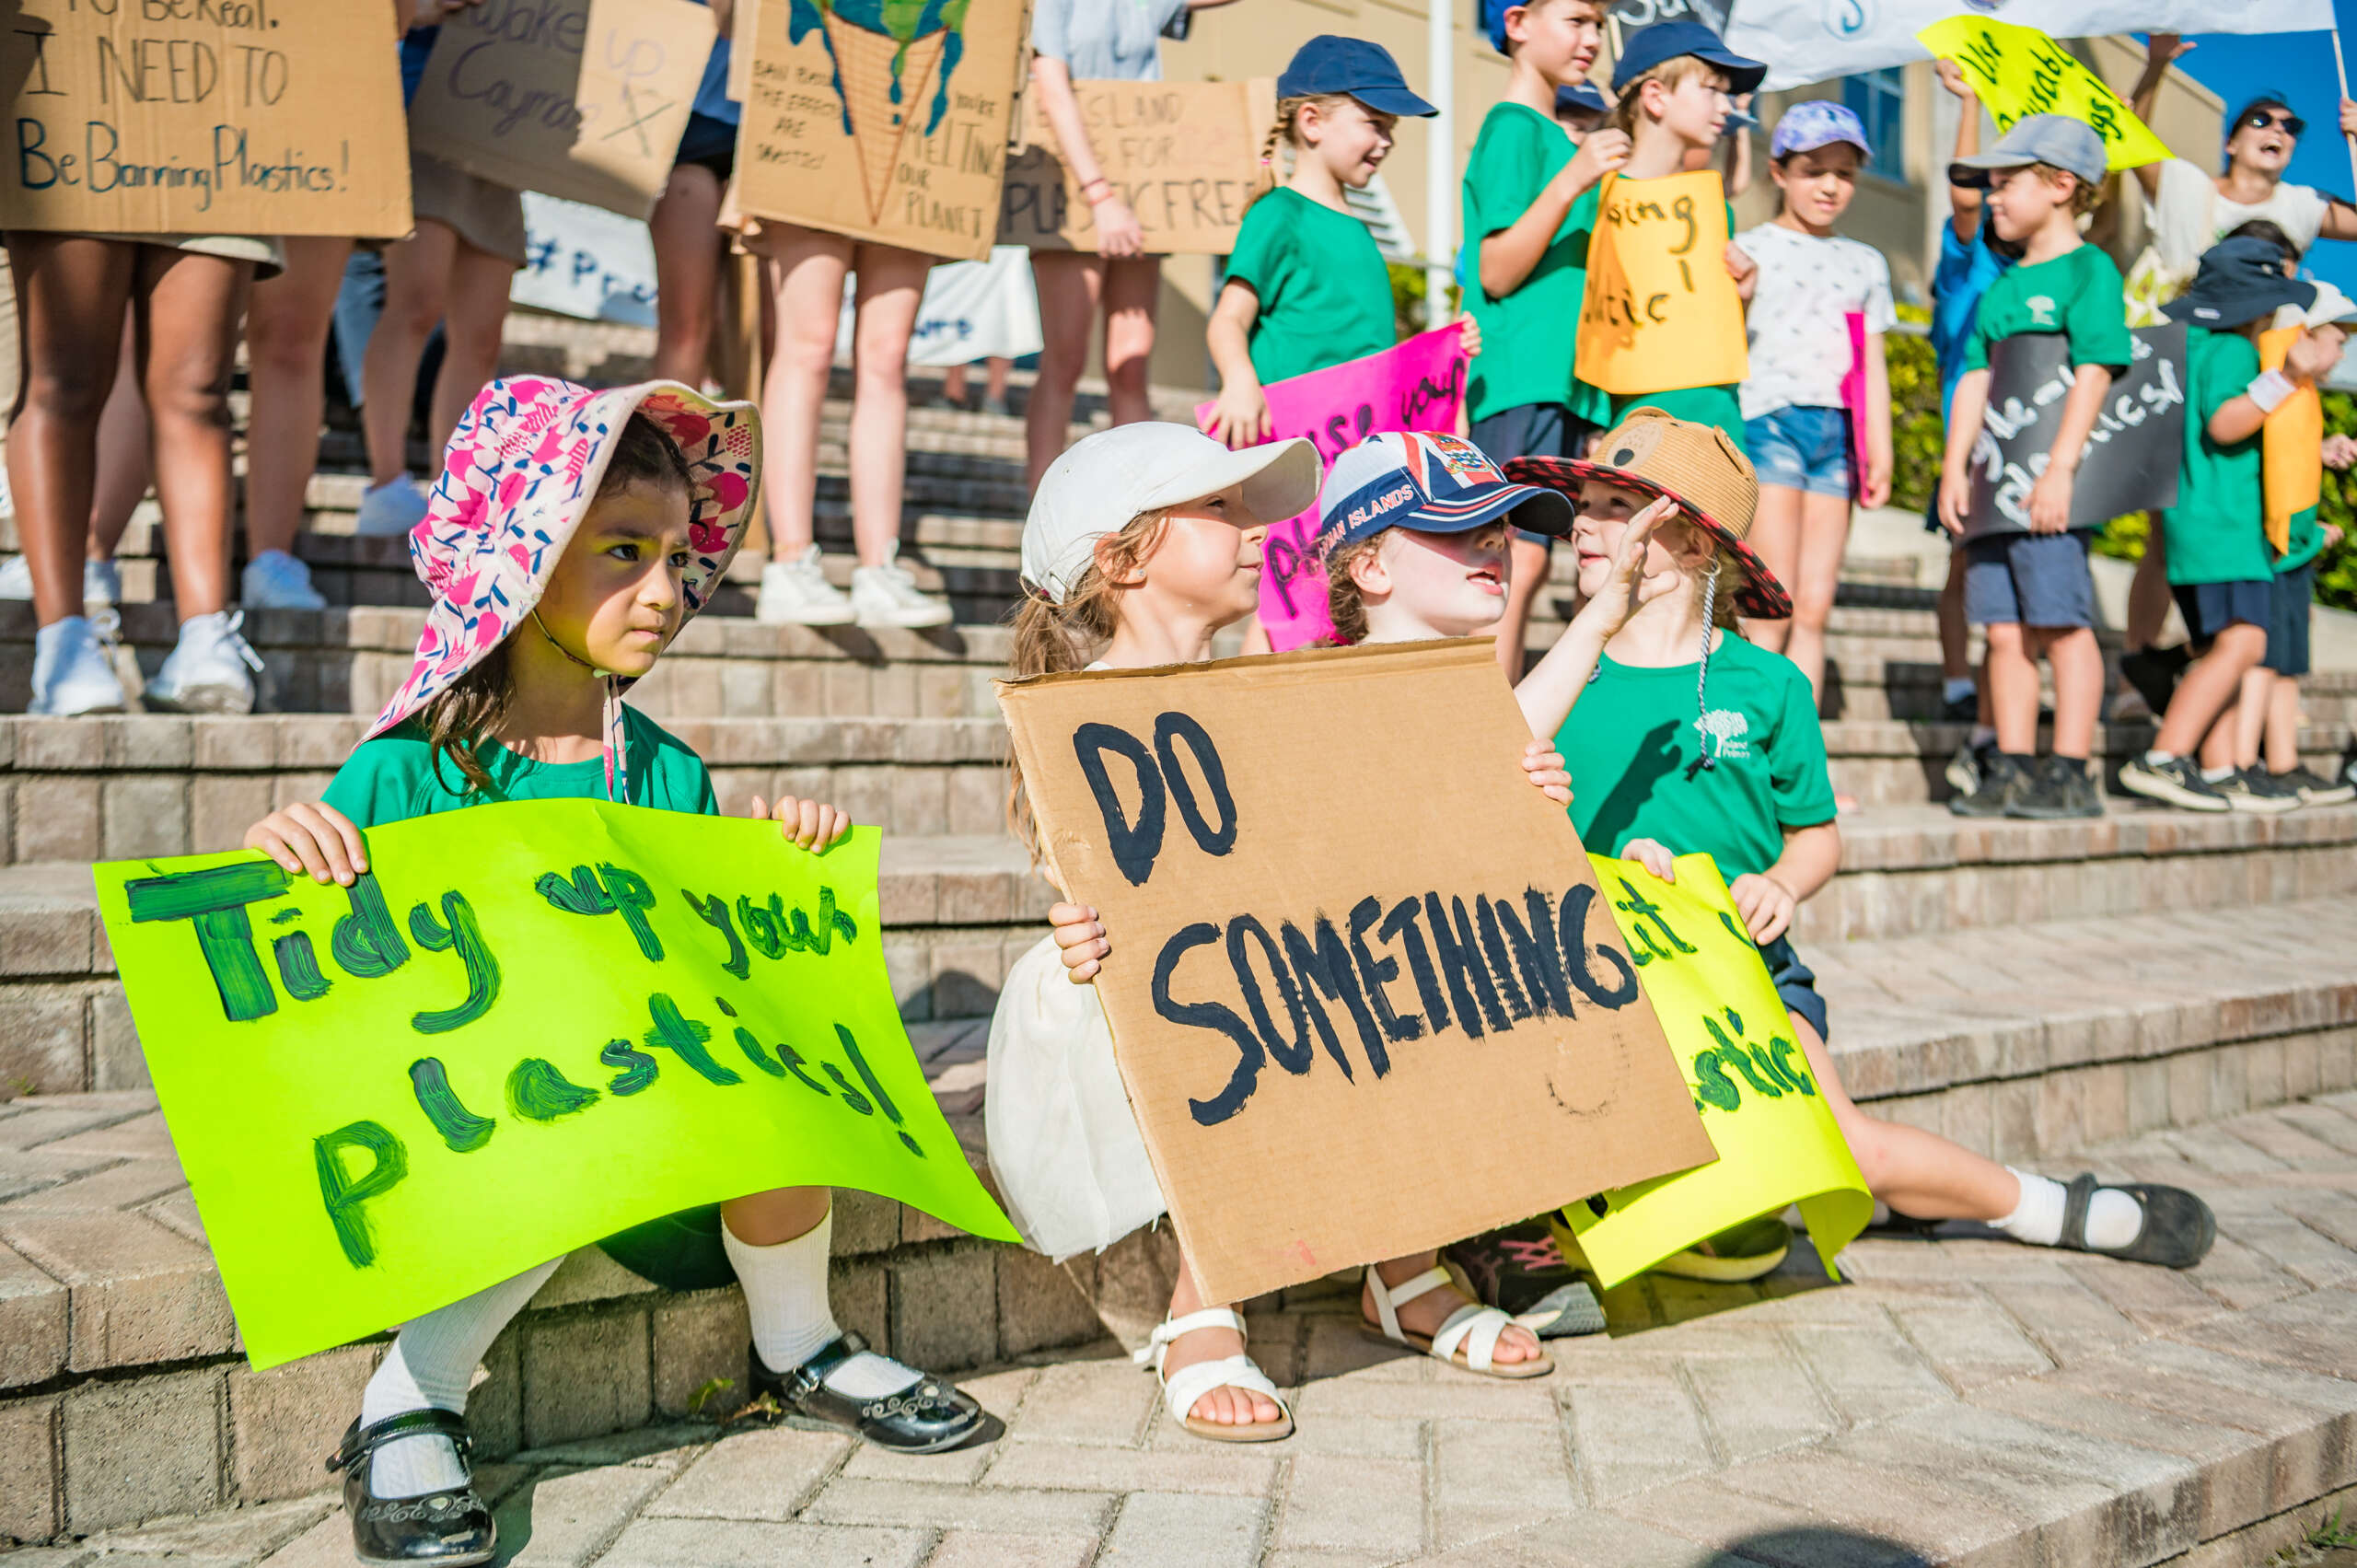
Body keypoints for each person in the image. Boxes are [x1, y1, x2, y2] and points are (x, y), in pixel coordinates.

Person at [244, 377, 987, 1563]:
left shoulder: (665, 774)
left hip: (658, 1159)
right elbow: (319, 972)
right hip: (472, 1165)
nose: (664, 591)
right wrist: (284, 856)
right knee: (548, 1086)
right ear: (523, 558)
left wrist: (777, 862)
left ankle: (799, 1341)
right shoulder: (398, 774)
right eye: (622, 552)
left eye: (678, 556)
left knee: (769, 1072)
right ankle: (411, 1393)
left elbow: (707, 990)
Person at [1502, 408, 2217, 1274]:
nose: (1585, 521)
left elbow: (1817, 838)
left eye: (1621, 505)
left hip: (1740, 971)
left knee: (1853, 1148)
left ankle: (2052, 1207)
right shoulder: (1559, 677)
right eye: (1587, 499)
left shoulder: (1769, 685)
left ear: (1696, 547)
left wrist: (1781, 886)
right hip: (1598, 979)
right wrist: (1612, 871)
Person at [1000, 424, 1564, 1443]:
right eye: (1219, 510)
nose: (1258, 531)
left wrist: (1511, 794)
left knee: (1377, 951)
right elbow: (1089, 885)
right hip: (1144, 999)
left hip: (1261, 981)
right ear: (1122, 557)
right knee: (1239, 979)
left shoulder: (1280, 694)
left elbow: (1380, 846)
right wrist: (1077, 925)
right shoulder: (1070, 717)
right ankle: (1199, 1300)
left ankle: (1399, 1264)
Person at [2119, 42, 2357, 711]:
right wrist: (2157, 64)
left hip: (2271, 373)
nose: (2279, 129)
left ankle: (2235, 682)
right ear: (2231, 139)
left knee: (2264, 526)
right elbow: (2131, 134)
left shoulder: (2305, 205)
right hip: (2183, 359)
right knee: (2168, 522)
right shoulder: (2187, 186)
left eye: (2291, 125)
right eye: (2263, 119)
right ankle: (2139, 670)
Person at [1937, 116, 2128, 820]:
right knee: (2004, 630)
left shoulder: (2090, 271)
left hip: (2048, 490)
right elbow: (1977, 382)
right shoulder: (2002, 288)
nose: (1993, 197)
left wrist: (2061, 468)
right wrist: (1956, 467)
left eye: (2007, 183)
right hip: (1993, 491)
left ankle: (2072, 770)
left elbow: (2095, 370)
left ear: (2061, 185)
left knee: (2061, 625)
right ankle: (2012, 766)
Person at [11, 215, 278, 715]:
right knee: (64, 378)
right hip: (78, 150)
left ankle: (204, 637)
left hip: (217, 153)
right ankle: (64, 642)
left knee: (195, 390)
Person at [2118, 238, 2340, 813]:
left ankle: (2216, 769)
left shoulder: (2194, 347)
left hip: (2198, 531)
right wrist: (2286, 377)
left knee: (2219, 648)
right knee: (2246, 643)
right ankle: (2164, 758)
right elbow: (2224, 423)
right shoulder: (2231, 352)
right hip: (2224, 531)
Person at [1463, 0, 1627, 679]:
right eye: (1577, 19)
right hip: (1520, 377)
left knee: (1532, 558)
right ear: (1519, 23)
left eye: (1598, 24)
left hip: (1569, 380)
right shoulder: (1512, 128)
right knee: (1513, 556)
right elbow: (1497, 269)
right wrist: (1573, 178)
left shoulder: (1562, 140)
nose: (1591, 38)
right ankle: (1487, 727)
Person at [1023, 0, 1240, 490]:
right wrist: (1098, 193)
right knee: (1065, 359)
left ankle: (1137, 511)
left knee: (1132, 365)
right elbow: (1050, 86)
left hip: (1142, 189)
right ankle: (1040, 511)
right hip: (1071, 188)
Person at [1207, 38, 1443, 450]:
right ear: (1312, 121)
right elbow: (1228, 319)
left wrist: (1440, 355)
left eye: (1391, 128)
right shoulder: (1280, 213)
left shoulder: (1359, 230)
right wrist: (1240, 380)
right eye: (1375, 123)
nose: (1387, 141)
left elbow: (1365, 349)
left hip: (1355, 448)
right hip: (1293, 445)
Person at [1734, 100, 1894, 704]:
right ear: (1779, 172)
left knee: (1816, 607)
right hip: (1768, 422)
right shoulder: (1748, 247)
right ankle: (1746, 755)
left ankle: (1801, 772)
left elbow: (1870, 362)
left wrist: (1878, 446)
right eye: (1813, 168)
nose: (1830, 185)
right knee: (1772, 601)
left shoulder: (1867, 262)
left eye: (1845, 172)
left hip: (1837, 437)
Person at [354, 12, 525, 538]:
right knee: (415, 305)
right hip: (425, 107)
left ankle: (456, 492)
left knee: (481, 336)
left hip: (509, 123)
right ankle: (386, 484)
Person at [1590, 22, 1764, 448]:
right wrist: (1591, 424)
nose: (1725, 107)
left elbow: (1711, 333)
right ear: (1655, 96)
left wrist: (1743, 297)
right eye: (1711, 90)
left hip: (1716, 428)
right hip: (1632, 433)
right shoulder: (1592, 196)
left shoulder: (1713, 208)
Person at [1929, 61, 2021, 801]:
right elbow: (1965, 190)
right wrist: (1971, 104)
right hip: (1973, 433)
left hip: (2024, 436)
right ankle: (1960, 681)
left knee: (1999, 577)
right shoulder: (1970, 260)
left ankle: (1997, 702)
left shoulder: (2038, 266)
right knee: (1964, 565)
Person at [649, 0, 740, 389]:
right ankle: (664, 449)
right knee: (687, 326)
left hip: (782, 143)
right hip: (690, 136)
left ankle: (758, 446)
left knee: (772, 335)